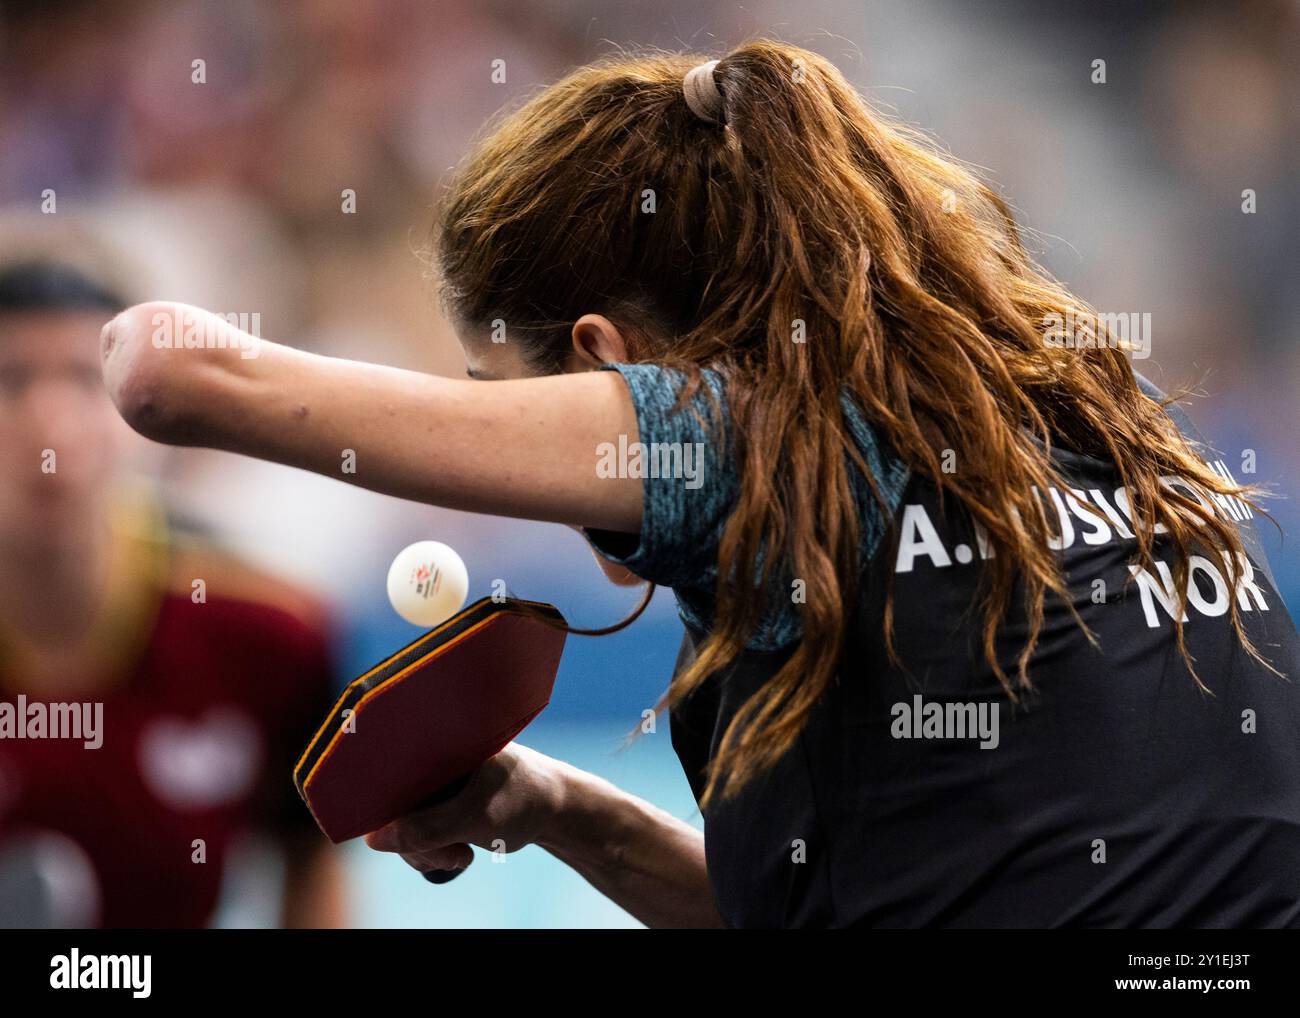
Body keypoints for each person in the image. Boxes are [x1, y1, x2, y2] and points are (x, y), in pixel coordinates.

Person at [96, 41, 1300, 928]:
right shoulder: (1086, 414)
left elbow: (160, 370)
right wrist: (570, 812)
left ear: (597, 362)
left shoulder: (736, 437)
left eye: (497, 389)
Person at [0, 259, 345, 928]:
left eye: (84, 379)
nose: (51, 423)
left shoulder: (270, 635)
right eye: (9, 380)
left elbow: (312, 851)